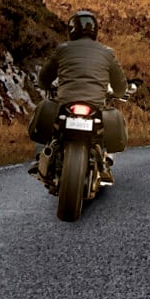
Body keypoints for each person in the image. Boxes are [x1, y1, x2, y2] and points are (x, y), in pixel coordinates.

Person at [28, 10, 128, 183]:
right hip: (95, 104)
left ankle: (41, 158)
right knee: (105, 126)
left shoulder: (63, 49)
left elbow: (44, 77)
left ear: (72, 29)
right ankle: (105, 162)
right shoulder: (107, 52)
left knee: (50, 121)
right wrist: (118, 93)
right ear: (95, 30)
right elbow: (120, 85)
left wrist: (45, 85)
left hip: (66, 102)